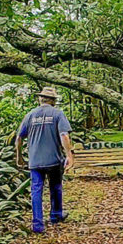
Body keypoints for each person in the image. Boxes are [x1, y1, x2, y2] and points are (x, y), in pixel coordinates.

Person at [15, 86, 75, 233]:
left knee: (36, 190)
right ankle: (56, 215)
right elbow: (64, 135)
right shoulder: (58, 114)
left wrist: (19, 157)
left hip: (35, 161)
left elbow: (19, 138)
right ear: (53, 101)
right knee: (55, 187)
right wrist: (69, 155)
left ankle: (37, 224)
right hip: (53, 160)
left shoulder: (30, 115)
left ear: (40, 99)